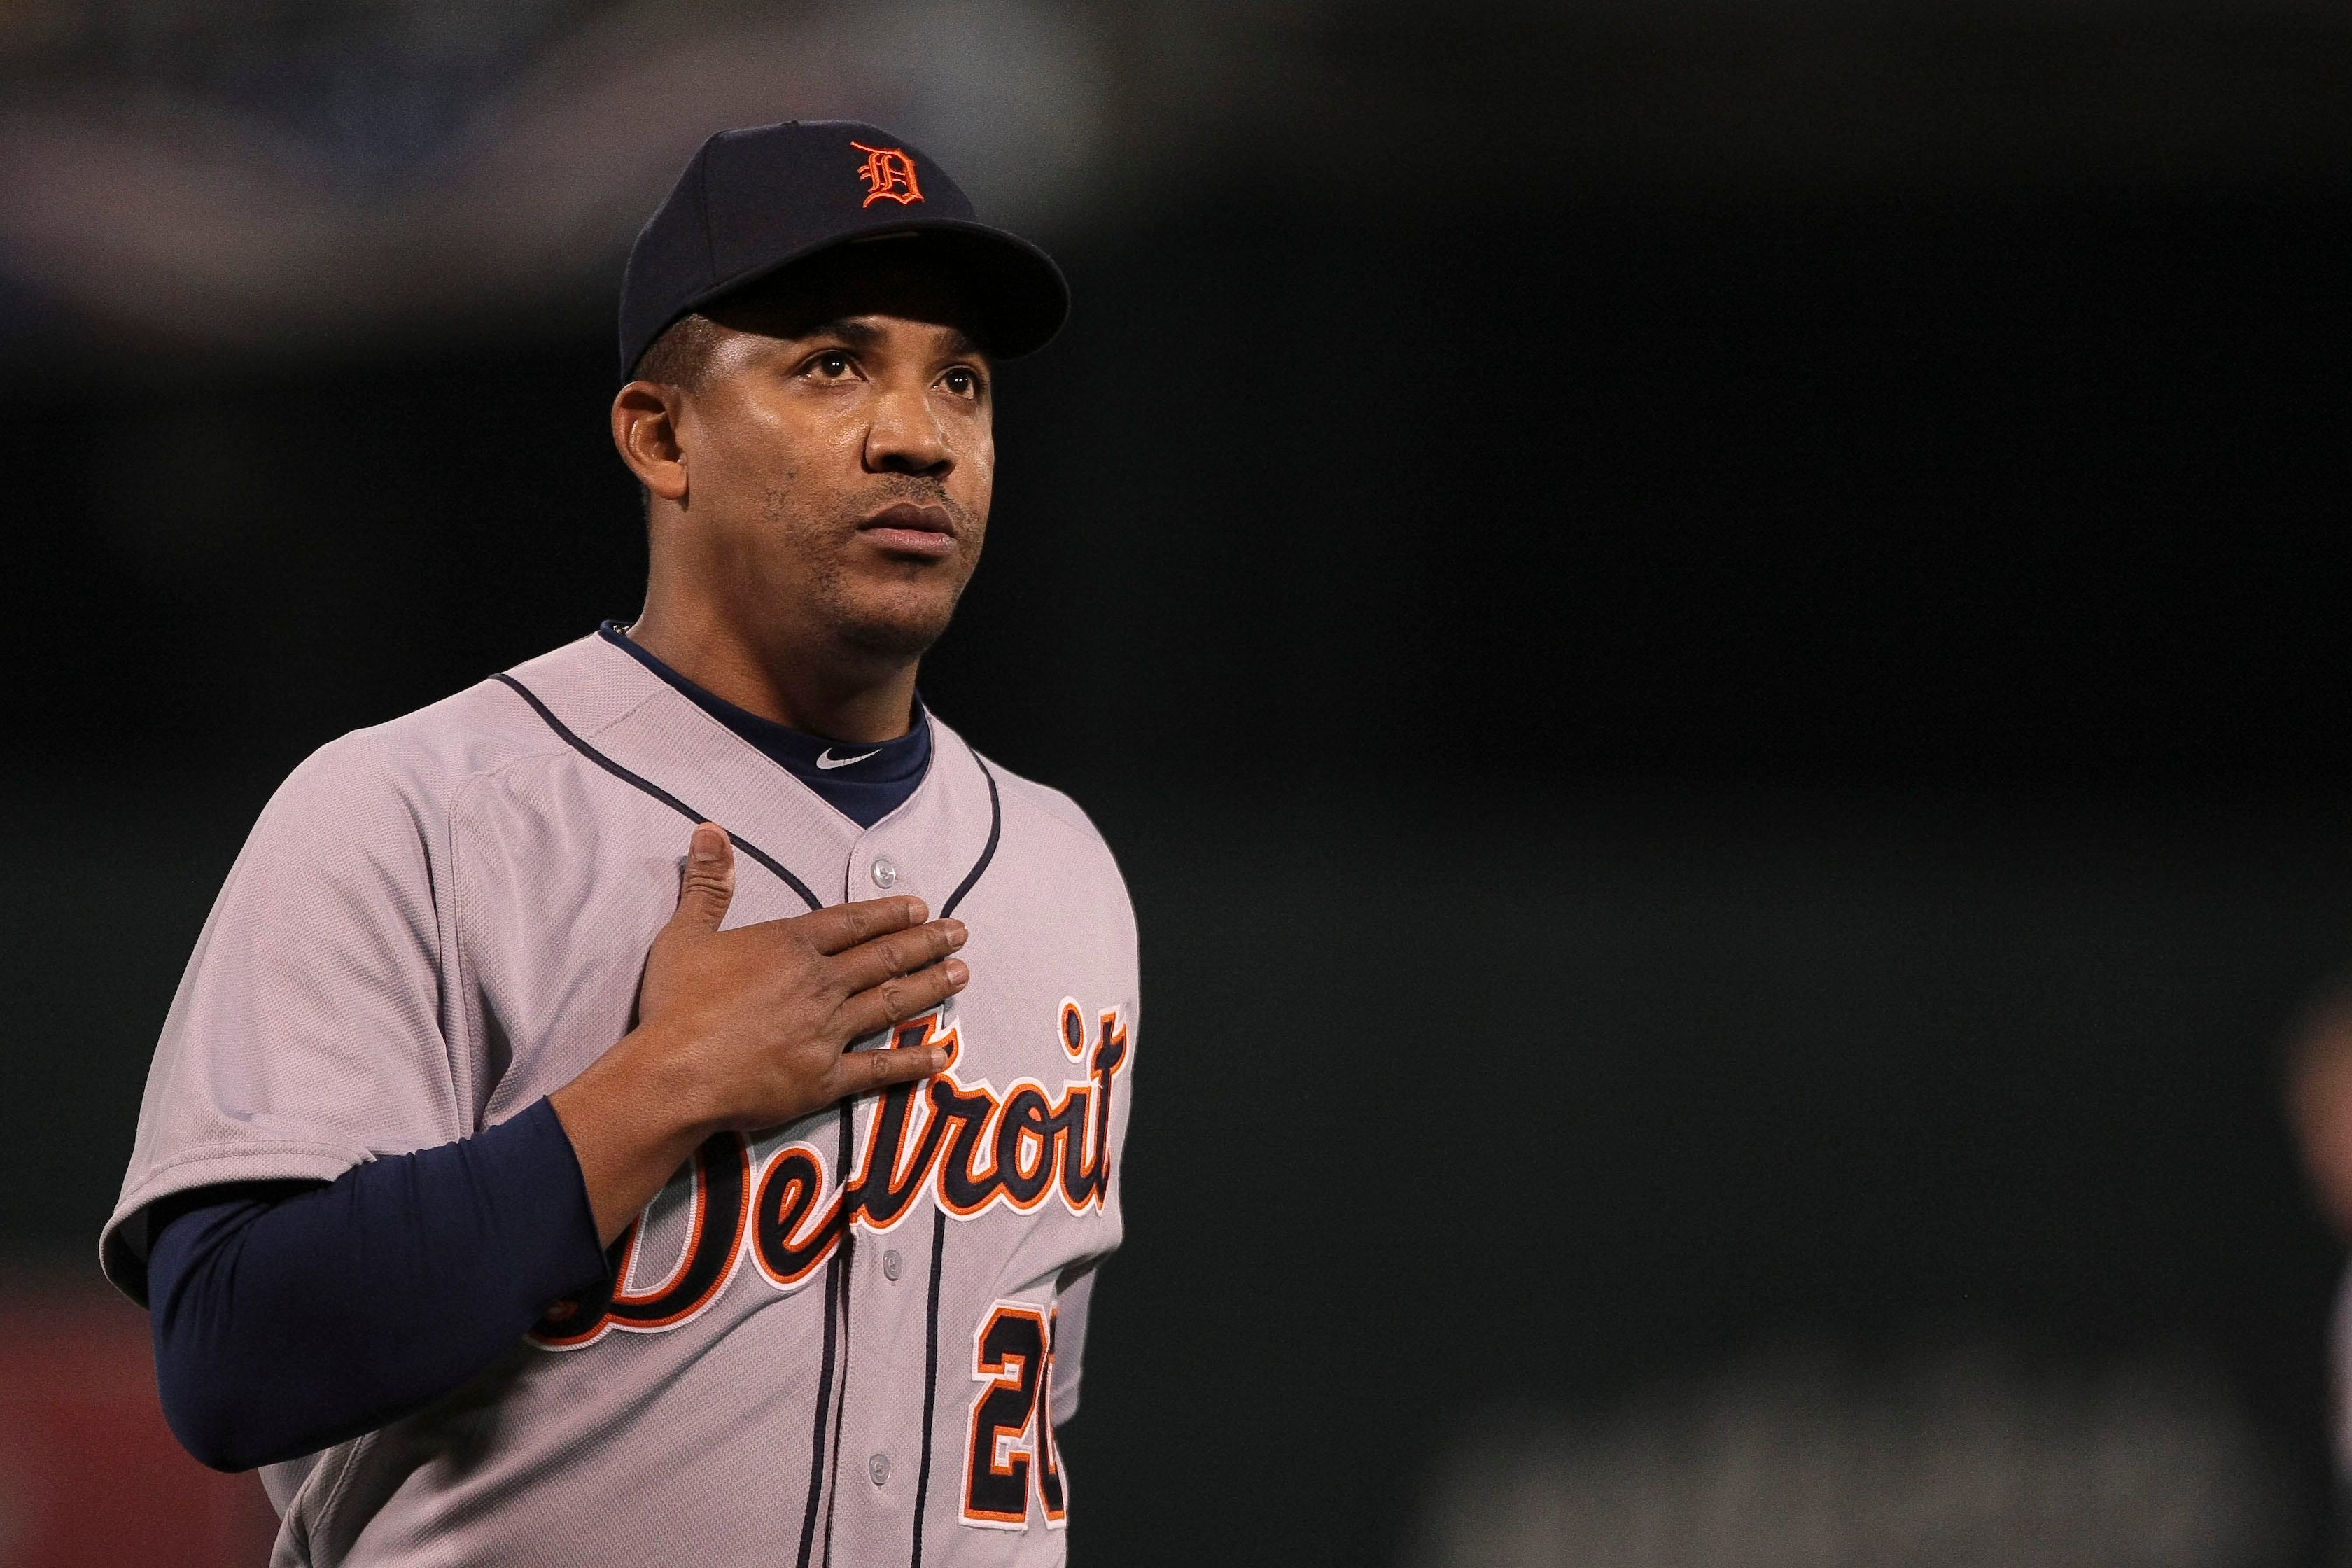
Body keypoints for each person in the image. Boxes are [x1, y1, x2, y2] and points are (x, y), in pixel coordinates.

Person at [100, 120, 1135, 1567]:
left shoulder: (1063, 867)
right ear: (661, 436)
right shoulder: (417, 808)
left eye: (956, 377)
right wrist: (660, 1089)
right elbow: (230, 1354)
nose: (921, 434)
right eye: (832, 363)